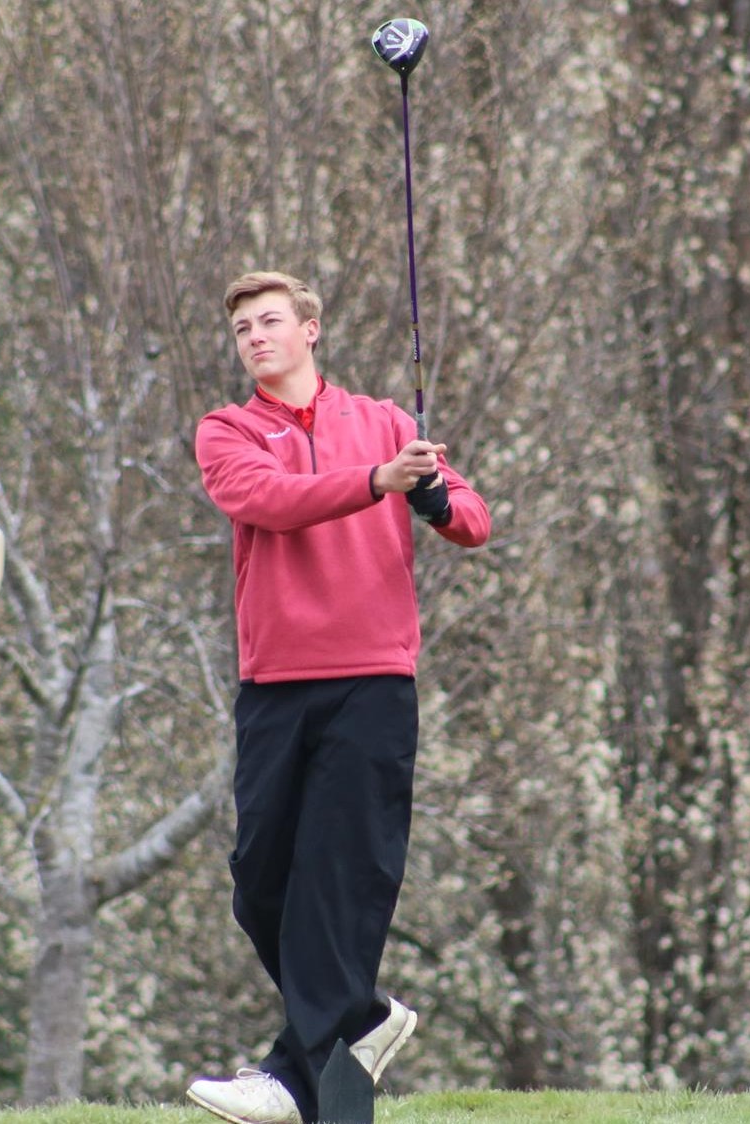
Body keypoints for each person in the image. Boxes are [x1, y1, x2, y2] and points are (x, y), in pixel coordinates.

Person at [186, 271, 490, 1124]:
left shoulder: (388, 422)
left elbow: (473, 520)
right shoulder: (228, 430)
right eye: (242, 325)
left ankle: (291, 1073)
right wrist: (377, 482)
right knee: (259, 883)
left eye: (270, 320)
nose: (253, 336)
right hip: (277, 686)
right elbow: (268, 502)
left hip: (373, 683)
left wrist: (430, 494)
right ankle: (361, 1019)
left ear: (311, 330)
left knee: (341, 878)